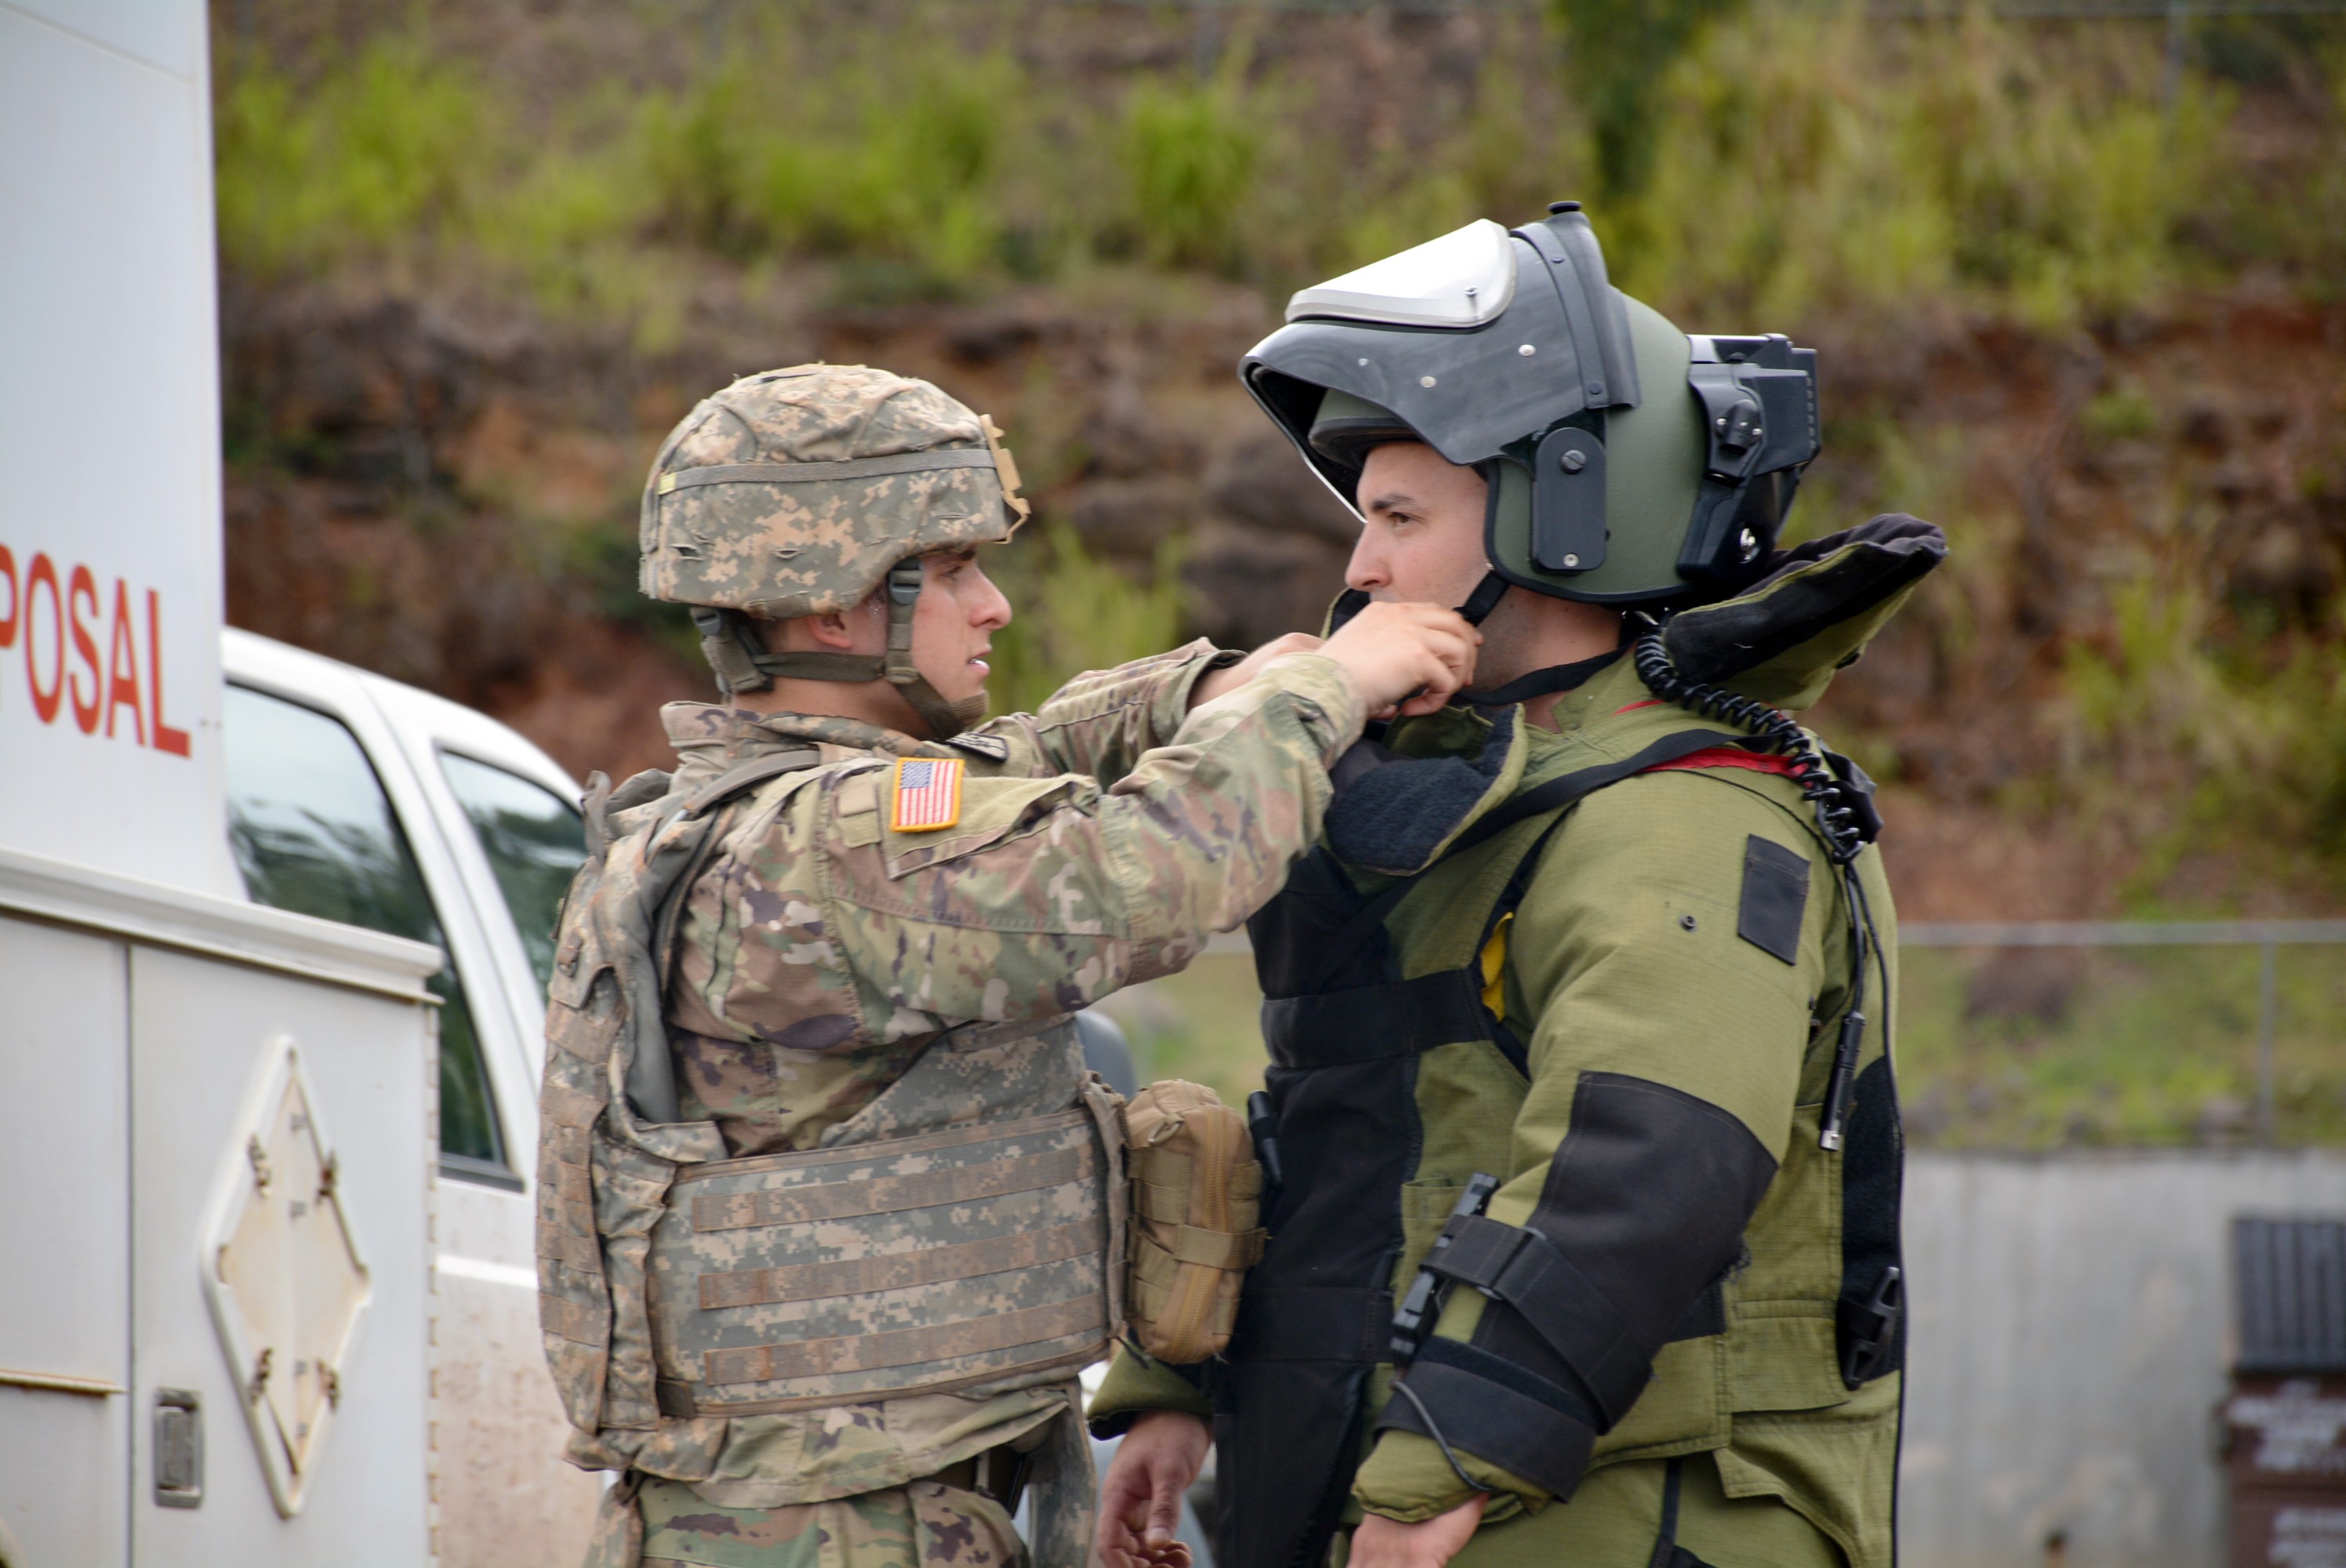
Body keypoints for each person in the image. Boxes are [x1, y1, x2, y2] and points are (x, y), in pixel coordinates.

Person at [1089, 207, 1946, 1568]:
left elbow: (1643, 1178)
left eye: (1400, 519)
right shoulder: (1460, 795)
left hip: (1604, 1517)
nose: (1359, 568)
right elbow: (1357, 1128)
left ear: (1564, 518)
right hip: (1391, 1496)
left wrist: (1438, 1479)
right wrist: (1182, 1391)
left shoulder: (1685, 816)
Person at [530, 363, 1480, 1568]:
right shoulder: (821, 856)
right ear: (840, 606)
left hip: (845, 1510)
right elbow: (1150, 874)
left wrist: (1207, 691)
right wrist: (1324, 687)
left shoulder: (767, 819)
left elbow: (1000, 769)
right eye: (959, 571)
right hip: (834, 1530)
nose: (995, 610)